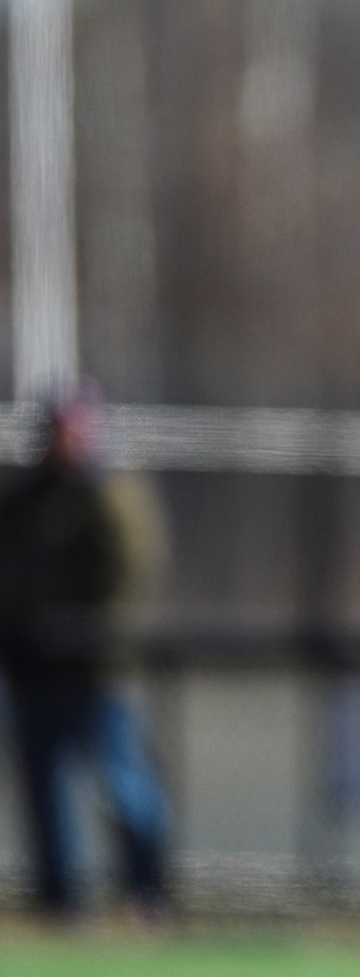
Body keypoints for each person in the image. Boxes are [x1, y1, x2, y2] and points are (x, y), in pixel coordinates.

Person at [0, 388, 170, 920]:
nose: (65, 441)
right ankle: (60, 903)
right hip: (33, 668)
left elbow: (135, 563)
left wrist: (99, 480)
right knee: (46, 795)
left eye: (75, 430)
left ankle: (145, 895)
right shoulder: (25, 496)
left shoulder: (111, 488)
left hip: (100, 670)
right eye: (57, 430)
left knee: (125, 787)